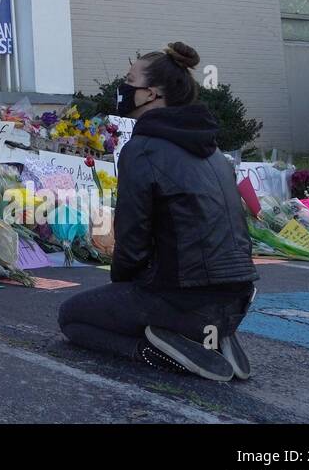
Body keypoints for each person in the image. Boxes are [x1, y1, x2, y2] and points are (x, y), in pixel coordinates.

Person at [57, 42, 257, 382]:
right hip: (237, 302)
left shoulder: (143, 149)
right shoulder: (213, 151)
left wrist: (123, 293)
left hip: (182, 300)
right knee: (169, 297)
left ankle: (157, 348)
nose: (123, 86)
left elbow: (132, 244)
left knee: (72, 317)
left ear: (150, 94)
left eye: (129, 79)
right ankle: (212, 336)